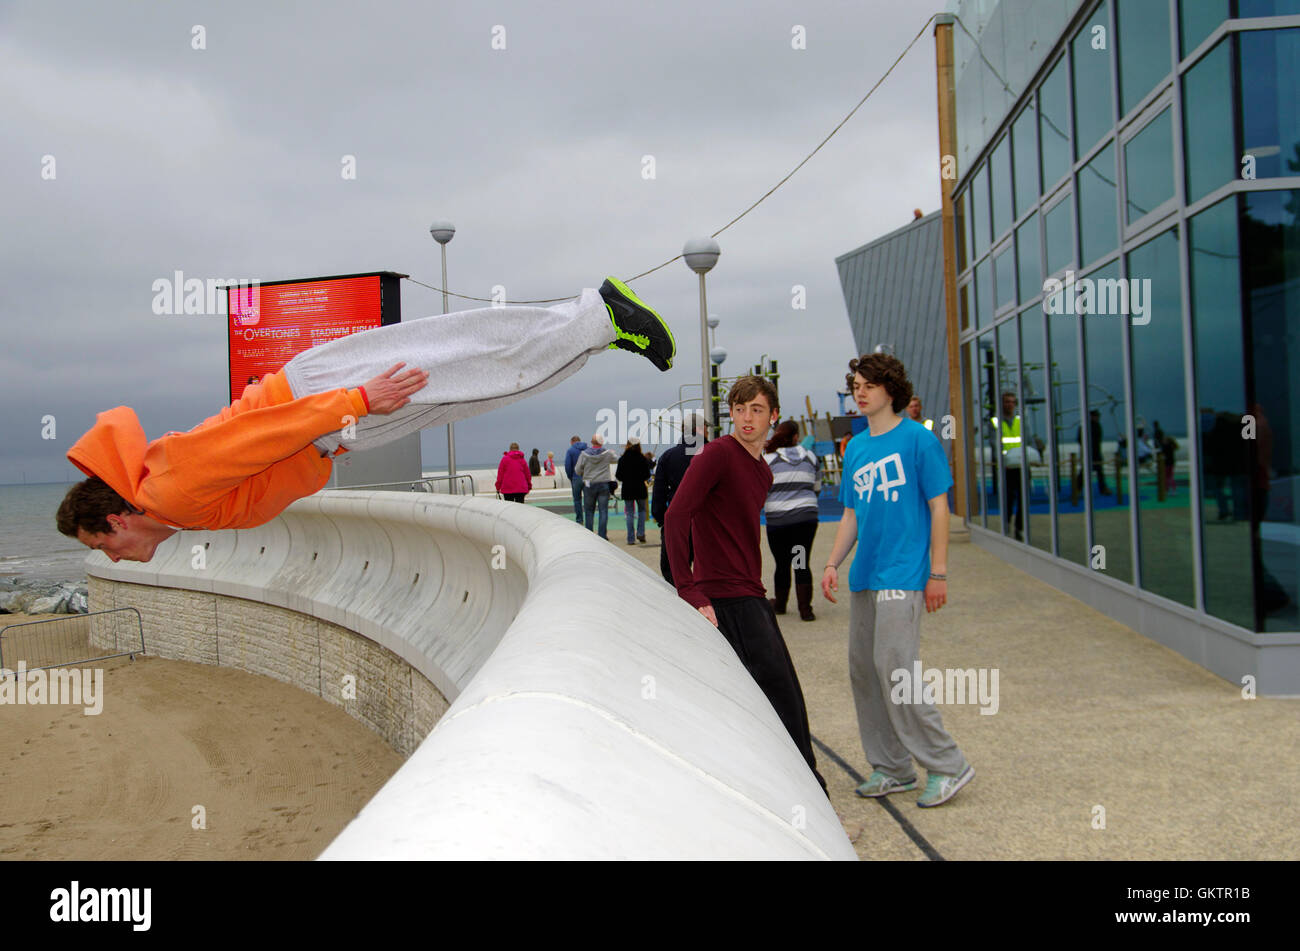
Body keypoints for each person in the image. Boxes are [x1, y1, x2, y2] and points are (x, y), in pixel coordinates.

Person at [56, 277, 674, 561]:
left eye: (100, 546)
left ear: (116, 519)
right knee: (475, 383)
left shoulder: (167, 490)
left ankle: (598, 315)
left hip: (322, 406)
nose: (110, 559)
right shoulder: (168, 504)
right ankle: (598, 333)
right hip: (327, 422)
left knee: (469, 360)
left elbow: (253, 437)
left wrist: (356, 401)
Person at [822, 352, 973, 808]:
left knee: (896, 667)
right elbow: (850, 513)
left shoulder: (917, 441)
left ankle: (948, 764)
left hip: (904, 573)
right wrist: (832, 563)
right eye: (855, 385)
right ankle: (892, 766)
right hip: (865, 573)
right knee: (864, 671)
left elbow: (939, 507)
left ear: (891, 390)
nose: (860, 392)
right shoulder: (857, 448)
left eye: (868, 385)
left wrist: (939, 572)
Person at [666, 377, 827, 794]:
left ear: (773, 416)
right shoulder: (717, 454)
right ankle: (813, 797)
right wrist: (689, 588)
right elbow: (676, 516)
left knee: (771, 699)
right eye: (739, 409)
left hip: (749, 592)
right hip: (723, 597)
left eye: (756, 409)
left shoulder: (760, 471)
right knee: (783, 699)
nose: (746, 417)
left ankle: (785, 793)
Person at [763, 420, 822, 621]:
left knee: (781, 563)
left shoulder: (769, 459)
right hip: (805, 518)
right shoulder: (811, 457)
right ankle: (805, 609)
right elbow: (817, 488)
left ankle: (780, 604)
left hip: (778, 520)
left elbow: (762, 490)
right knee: (801, 561)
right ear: (797, 437)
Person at [650, 411, 705, 585]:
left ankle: (685, 603)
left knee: (672, 570)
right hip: (707, 520)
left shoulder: (668, 456)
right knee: (709, 568)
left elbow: (659, 491)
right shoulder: (715, 453)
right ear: (701, 429)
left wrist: (661, 518)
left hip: (677, 520)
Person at [993, 390, 1024, 541]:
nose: (1010, 404)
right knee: (1009, 498)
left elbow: (1028, 438)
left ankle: (1020, 527)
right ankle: (1006, 525)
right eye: (1007, 401)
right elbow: (994, 443)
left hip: (1021, 465)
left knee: (1023, 498)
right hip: (1007, 467)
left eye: (1012, 402)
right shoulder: (996, 422)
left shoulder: (1020, 420)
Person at [575, 434, 617, 539]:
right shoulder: (607, 454)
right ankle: (602, 535)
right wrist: (612, 453)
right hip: (603, 483)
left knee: (589, 511)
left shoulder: (584, 454)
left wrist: (584, 474)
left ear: (592, 442)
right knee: (603, 511)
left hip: (589, 483)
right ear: (602, 442)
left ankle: (590, 536)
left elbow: (577, 470)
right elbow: (616, 459)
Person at [615, 438, 651, 545]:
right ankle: (641, 533)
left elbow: (618, 476)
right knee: (642, 511)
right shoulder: (642, 458)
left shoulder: (622, 459)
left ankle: (630, 538)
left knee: (630, 512)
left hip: (628, 489)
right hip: (640, 488)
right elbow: (647, 475)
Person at [564, 435, 587, 524]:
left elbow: (568, 465)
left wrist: (570, 477)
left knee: (577, 500)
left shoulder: (570, 450)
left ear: (572, 442)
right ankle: (589, 518)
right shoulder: (587, 449)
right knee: (588, 499)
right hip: (587, 477)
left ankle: (579, 519)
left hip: (576, 477)